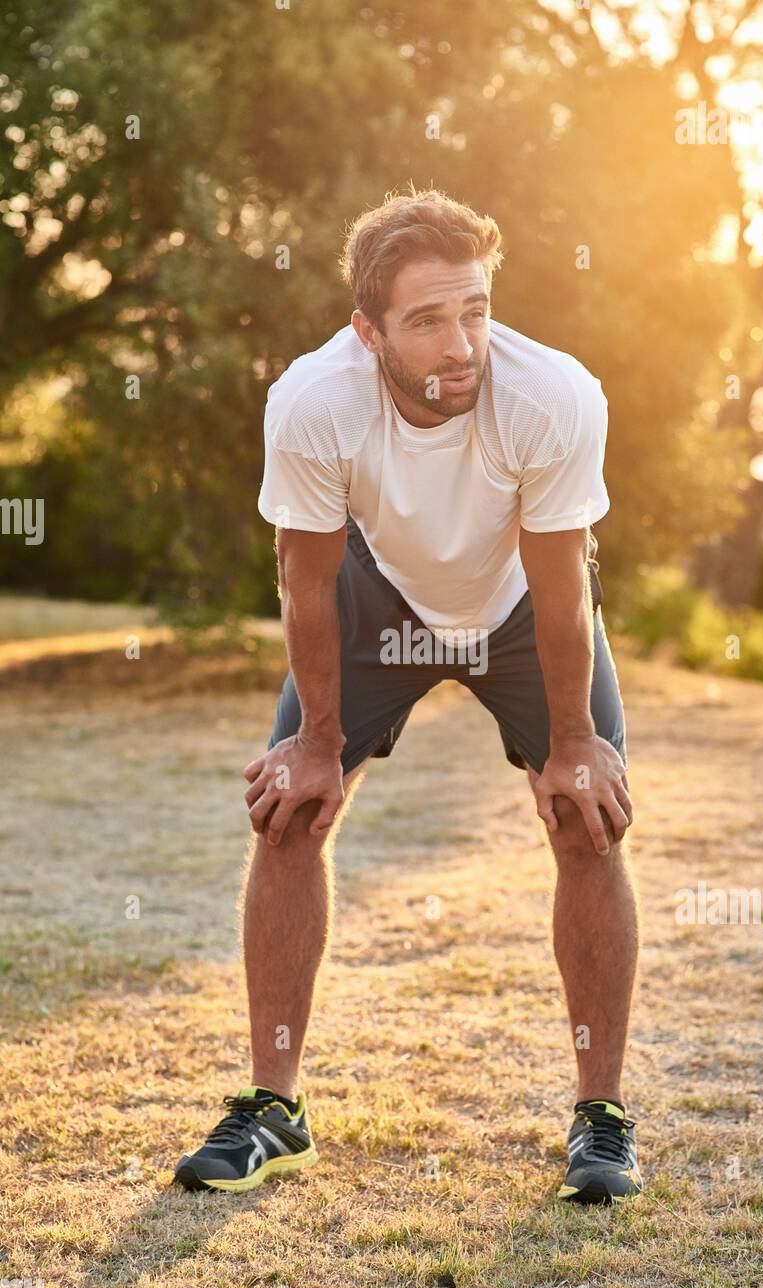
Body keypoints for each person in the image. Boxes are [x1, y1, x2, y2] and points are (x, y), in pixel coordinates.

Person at [174, 186, 642, 1204]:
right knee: (289, 813)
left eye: (473, 310)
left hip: (522, 605)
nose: (461, 342)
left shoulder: (556, 395)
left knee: (586, 816)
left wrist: (571, 742)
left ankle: (600, 1119)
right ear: (367, 330)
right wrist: (319, 743)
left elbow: (565, 591)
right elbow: (304, 580)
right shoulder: (313, 399)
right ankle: (273, 1107)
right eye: (427, 319)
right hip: (375, 593)